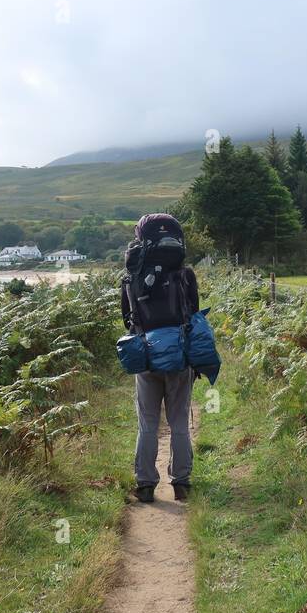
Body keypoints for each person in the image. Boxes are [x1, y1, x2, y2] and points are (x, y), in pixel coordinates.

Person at [120, 213, 199, 504]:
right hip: (179, 358)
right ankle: (181, 483)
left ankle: (145, 485)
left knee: (148, 423)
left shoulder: (131, 276)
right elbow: (193, 313)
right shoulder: (185, 274)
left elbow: (126, 318)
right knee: (179, 422)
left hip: (146, 356)